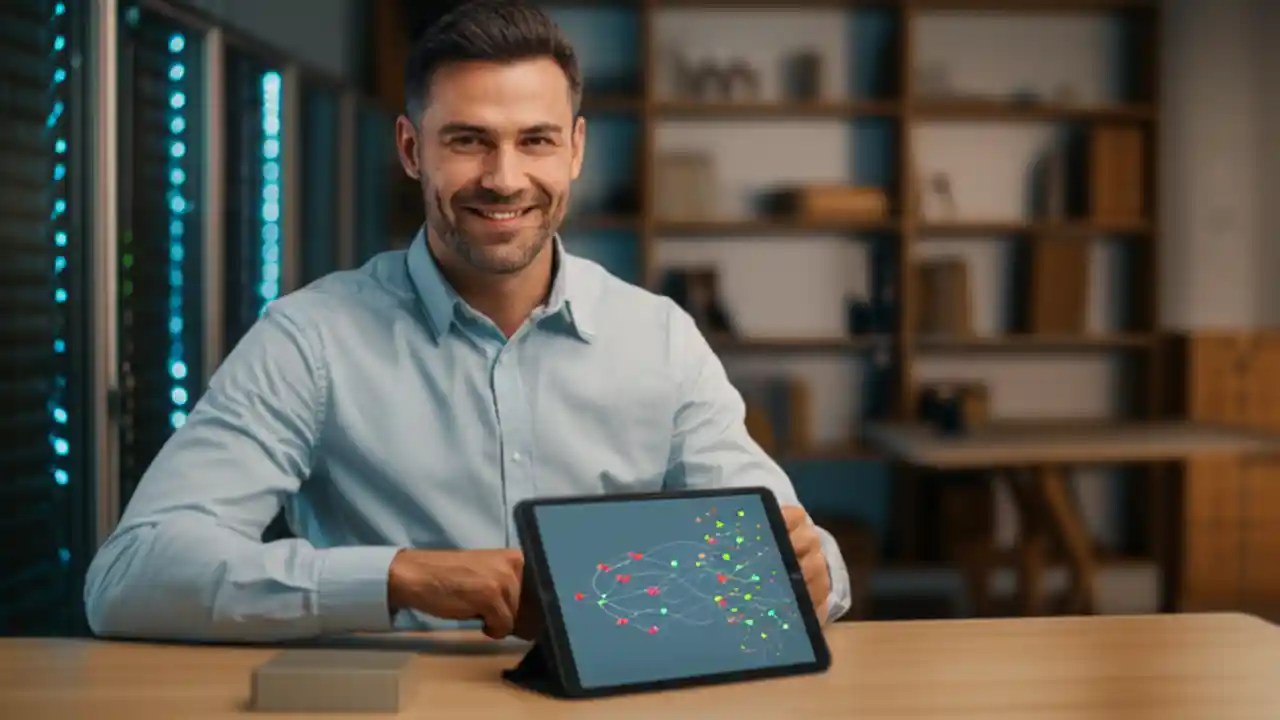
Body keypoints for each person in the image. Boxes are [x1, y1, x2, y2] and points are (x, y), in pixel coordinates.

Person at [84, 0, 852, 642]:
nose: (504, 178)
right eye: (468, 141)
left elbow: (805, 564)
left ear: (576, 150)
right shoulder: (309, 339)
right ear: (413, 149)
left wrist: (813, 566)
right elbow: (129, 576)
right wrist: (399, 576)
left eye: (536, 141)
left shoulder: (660, 339)